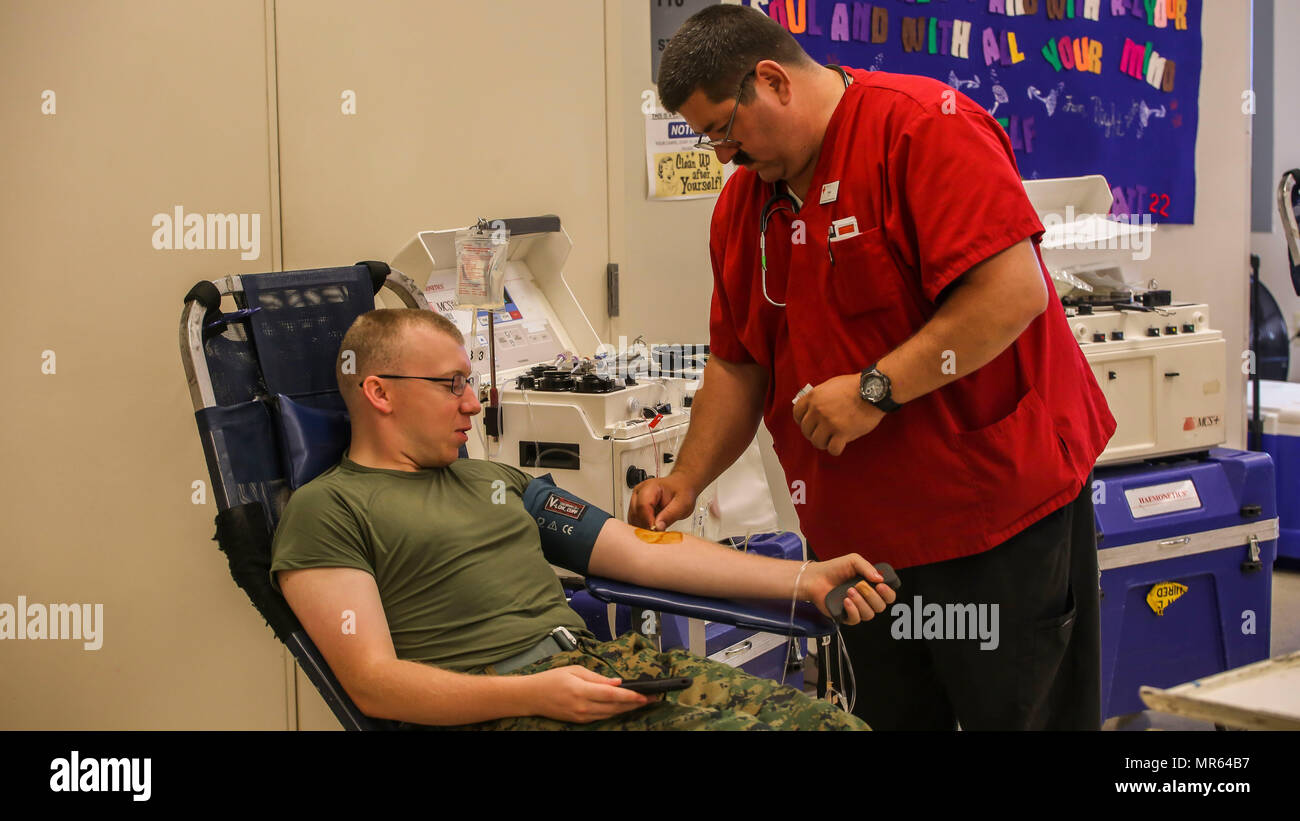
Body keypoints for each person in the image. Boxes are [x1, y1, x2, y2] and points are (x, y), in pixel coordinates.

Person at [632, 5, 1116, 730]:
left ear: (772, 80)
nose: (723, 157)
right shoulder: (745, 208)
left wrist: (874, 390)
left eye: (724, 132)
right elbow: (738, 365)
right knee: (884, 717)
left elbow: (1012, 292)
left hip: (990, 523)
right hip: (860, 550)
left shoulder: (924, 128)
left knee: (1013, 713)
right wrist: (686, 479)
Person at [269, 308, 896, 730]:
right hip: (504, 708)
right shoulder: (328, 509)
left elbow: (648, 551)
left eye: (471, 382)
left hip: (602, 668)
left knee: (832, 724)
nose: (471, 402)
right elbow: (374, 685)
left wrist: (804, 578)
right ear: (379, 392)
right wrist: (535, 693)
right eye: (450, 384)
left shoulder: (496, 481)